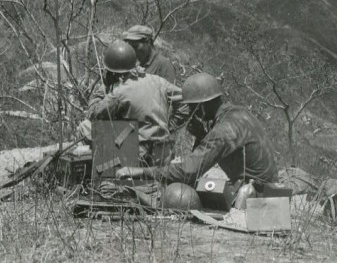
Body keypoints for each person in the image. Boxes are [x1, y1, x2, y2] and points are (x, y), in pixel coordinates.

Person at [116, 72, 278, 192]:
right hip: (263, 186)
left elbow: (189, 171)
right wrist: (201, 136)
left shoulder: (224, 130)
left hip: (256, 194)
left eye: (192, 108)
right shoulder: (238, 114)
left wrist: (142, 171)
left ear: (201, 106)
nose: (191, 112)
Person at [80, 40, 185, 166]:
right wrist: (170, 125)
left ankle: (106, 166)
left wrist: (100, 93)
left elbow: (94, 114)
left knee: (85, 126)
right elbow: (184, 100)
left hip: (136, 157)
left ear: (112, 72)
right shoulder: (159, 81)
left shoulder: (120, 92)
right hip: (164, 153)